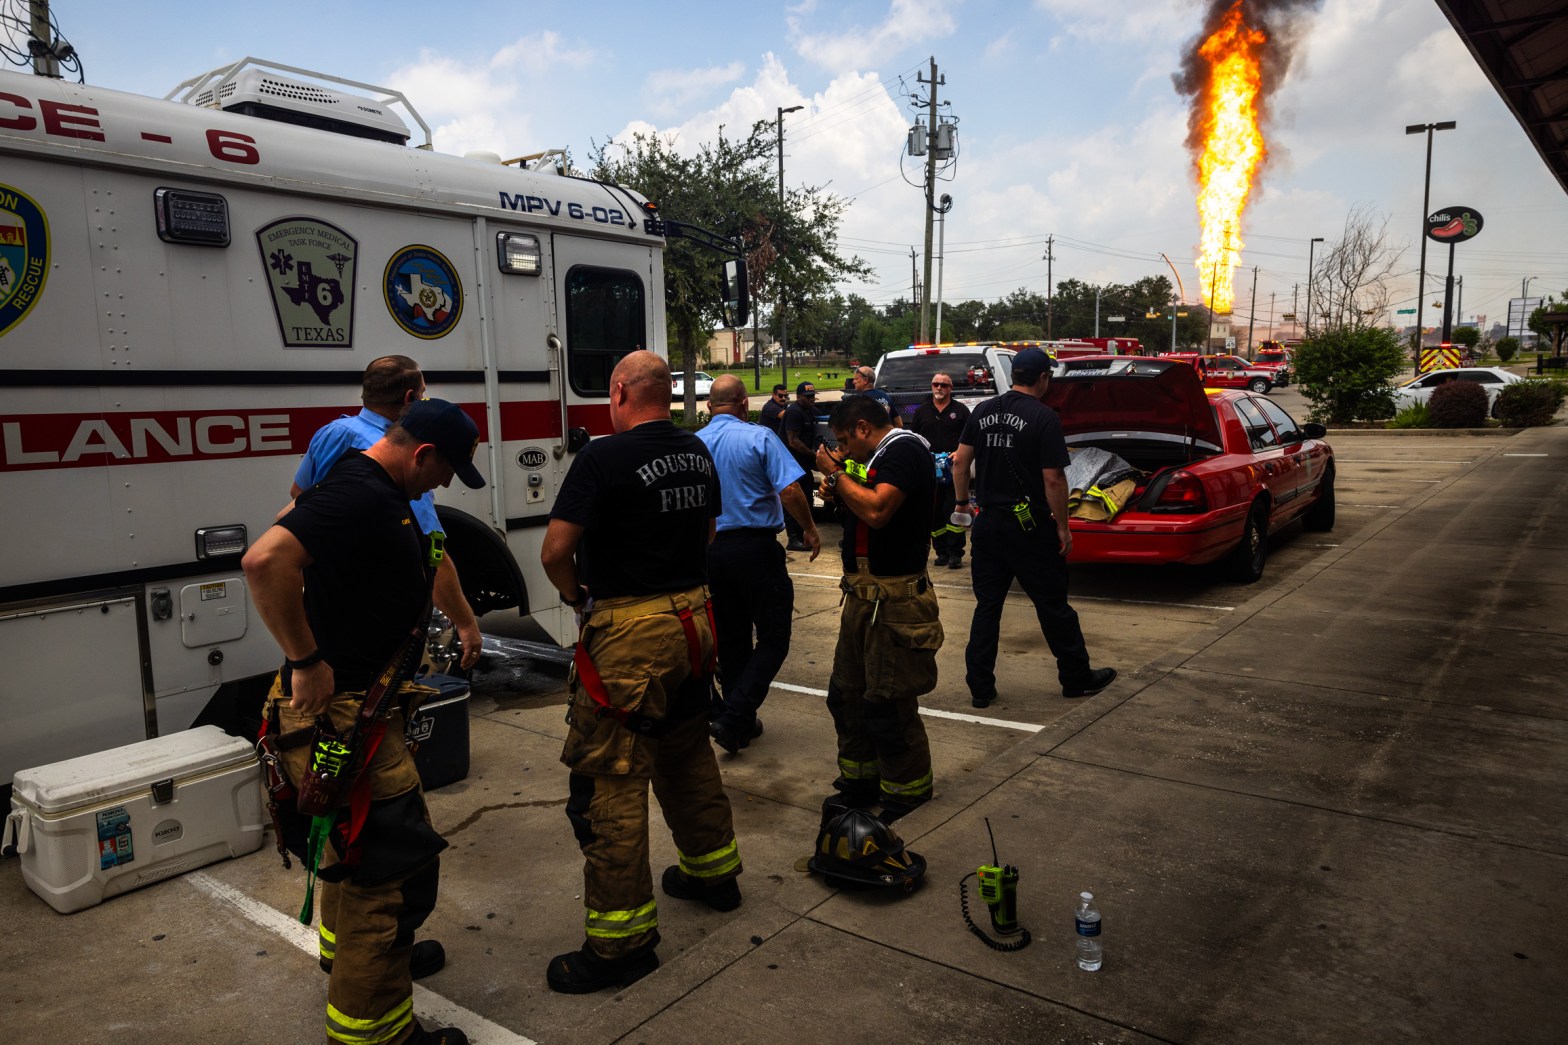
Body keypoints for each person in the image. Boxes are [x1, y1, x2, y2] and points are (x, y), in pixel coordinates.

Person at [245, 398, 485, 1045]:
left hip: (351, 711)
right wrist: (307, 656)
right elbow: (265, 559)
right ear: (422, 454)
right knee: (391, 871)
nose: (442, 485)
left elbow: (286, 522)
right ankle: (375, 1031)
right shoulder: (363, 493)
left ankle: (346, 953)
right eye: (444, 472)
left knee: (348, 852)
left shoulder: (359, 485)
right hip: (346, 714)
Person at [540, 350, 742, 994]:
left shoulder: (601, 458)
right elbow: (708, 531)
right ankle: (714, 876)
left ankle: (621, 945)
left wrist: (579, 601)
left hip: (631, 632)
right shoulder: (697, 452)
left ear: (621, 392)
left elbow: (555, 551)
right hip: (695, 621)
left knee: (612, 780)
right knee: (685, 749)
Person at [293, 355, 482, 673]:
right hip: (368, 632)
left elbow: (299, 497)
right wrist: (466, 623)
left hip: (324, 613)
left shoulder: (332, 432)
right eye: (424, 393)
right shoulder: (396, 459)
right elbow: (431, 552)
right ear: (410, 399)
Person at [952, 347, 1116, 709]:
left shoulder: (981, 411)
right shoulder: (1044, 417)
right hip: (1029, 528)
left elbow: (960, 462)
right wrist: (1064, 527)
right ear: (1043, 378)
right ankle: (1075, 678)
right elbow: (1054, 479)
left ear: (1015, 375)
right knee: (1053, 605)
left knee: (987, 607)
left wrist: (962, 504)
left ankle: (980, 687)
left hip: (989, 524)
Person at [812, 395, 942, 823]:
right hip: (861, 599)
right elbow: (862, 497)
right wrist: (838, 487)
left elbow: (878, 509)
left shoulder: (905, 449)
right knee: (846, 697)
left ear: (865, 428)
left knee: (888, 705)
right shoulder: (877, 459)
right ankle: (860, 784)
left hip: (895, 603)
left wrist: (835, 473)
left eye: (847, 442)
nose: (845, 452)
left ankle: (905, 794)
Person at [697, 375, 821, 755]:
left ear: (707, 407)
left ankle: (738, 724)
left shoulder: (693, 444)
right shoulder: (759, 437)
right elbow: (788, 489)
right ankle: (735, 716)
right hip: (755, 550)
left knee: (732, 641)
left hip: (710, 553)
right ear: (744, 403)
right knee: (774, 637)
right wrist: (810, 529)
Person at [909, 370, 971, 570]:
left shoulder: (961, 411)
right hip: (929, 470)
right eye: (936, 384)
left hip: (954, 470)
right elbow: (914, 439)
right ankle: (941, 552)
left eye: (944, 385)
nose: (939, 388)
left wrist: (957, 453)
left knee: (953, 510)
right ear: (932, 386)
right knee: (934, 513)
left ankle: (956, 554)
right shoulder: (921, 411)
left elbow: (969, 439)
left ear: (951, 388)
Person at [781, 381, 823, 552]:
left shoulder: (812, 411)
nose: (812, 399)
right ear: (799, 397)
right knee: (795, 498)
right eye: (808, 397)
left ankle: (804, 533)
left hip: (803, 464)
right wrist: (815, 456)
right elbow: (793, 441)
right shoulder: (794, 412)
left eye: (813, 396)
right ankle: (794, 538)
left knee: (807, 498)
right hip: (792, 463)